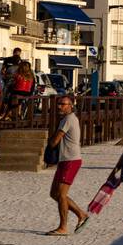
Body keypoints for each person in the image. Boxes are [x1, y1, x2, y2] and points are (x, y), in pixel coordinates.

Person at [46, 94, 88, 235]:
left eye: (63, 104)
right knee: (54, 194)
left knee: (62, 195)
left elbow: (55, 141)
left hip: (71, 159)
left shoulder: (68, 119)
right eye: (58, 103)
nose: (59, 106)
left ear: (71, 106)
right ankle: (81, 214)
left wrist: (49, 144)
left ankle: (63, 227)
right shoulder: (66, 119)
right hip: (65, 160)